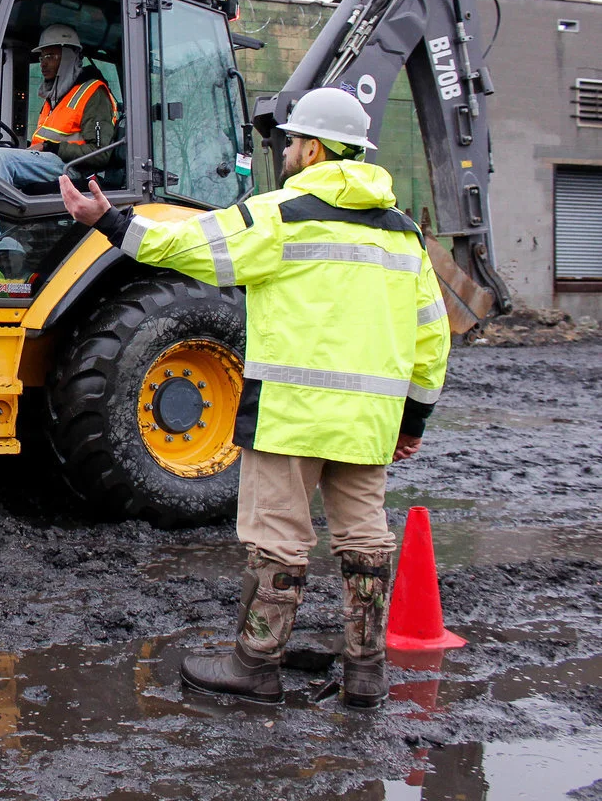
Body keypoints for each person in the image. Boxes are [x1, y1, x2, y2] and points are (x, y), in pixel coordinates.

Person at [58, 86, 450, 709]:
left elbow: (189, 245)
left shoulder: (282, 215)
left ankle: (255, 663)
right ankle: (367, 672)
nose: (287, 151)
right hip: (369, 423)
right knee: (364, 540)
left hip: (291, 418)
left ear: (315, 148)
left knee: (279, 541)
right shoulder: (403, 238)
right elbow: (433, 337)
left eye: (292, 141)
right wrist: (413, 419)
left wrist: (109, 221)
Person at [0, 24, 119, 271]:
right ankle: (2, 238)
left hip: (74, 170)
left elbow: (99, 154)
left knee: (3, 159)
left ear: (68, 57)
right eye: (42, 56)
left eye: (51, 56)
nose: (43, 63)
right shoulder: (56, 97)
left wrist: (53, 148)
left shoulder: (93, 93)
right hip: (54, 164)